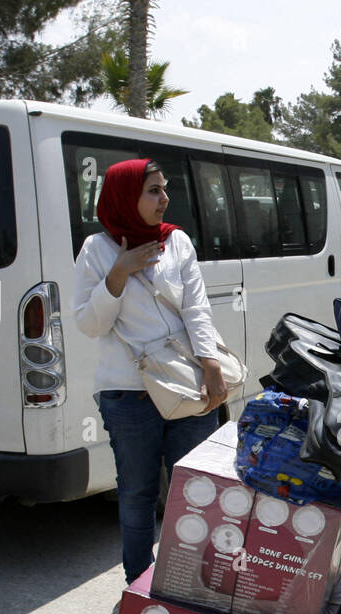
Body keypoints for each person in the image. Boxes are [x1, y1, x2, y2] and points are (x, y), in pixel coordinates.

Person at [74, 158, 228, 584]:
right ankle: (140, 584)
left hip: (187, 384)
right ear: (126, 196)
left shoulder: (176, 242)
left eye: (164, 189)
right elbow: (90, 324)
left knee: (197, 491)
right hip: (127, 393)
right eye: (153, 191)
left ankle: (191, 583)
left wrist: (211, 364)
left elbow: (197, 309)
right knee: (138, 493)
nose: (164, 199)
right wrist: (118, 273)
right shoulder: (97, 250)